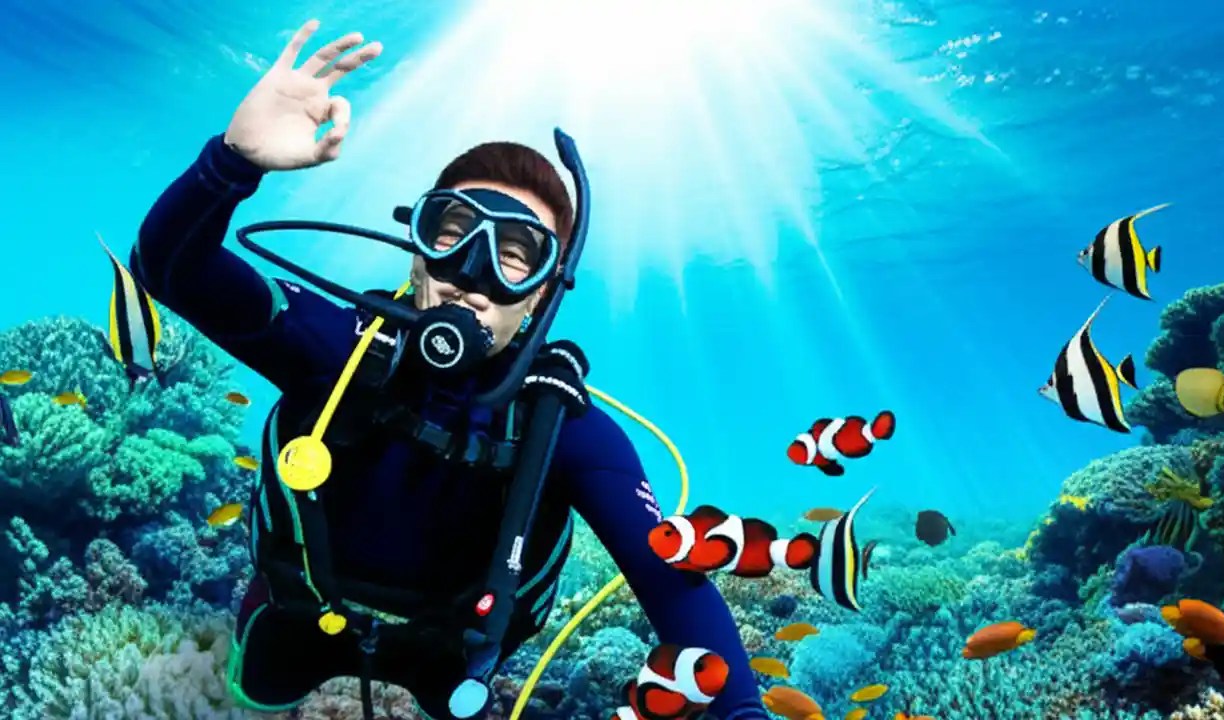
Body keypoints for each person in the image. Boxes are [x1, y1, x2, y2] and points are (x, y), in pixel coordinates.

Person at [130, 18, 770, 720]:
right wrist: (231, 162)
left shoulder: (565, 428)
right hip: (298, 615)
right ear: (416, 250)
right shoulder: (337, 347)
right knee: (253, 697)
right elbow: (170, 269)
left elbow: (673, 585)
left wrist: (743, 712)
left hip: (449, 654)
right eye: (453, 234)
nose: (473, 275)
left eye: (516, 255)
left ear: (541, 297)